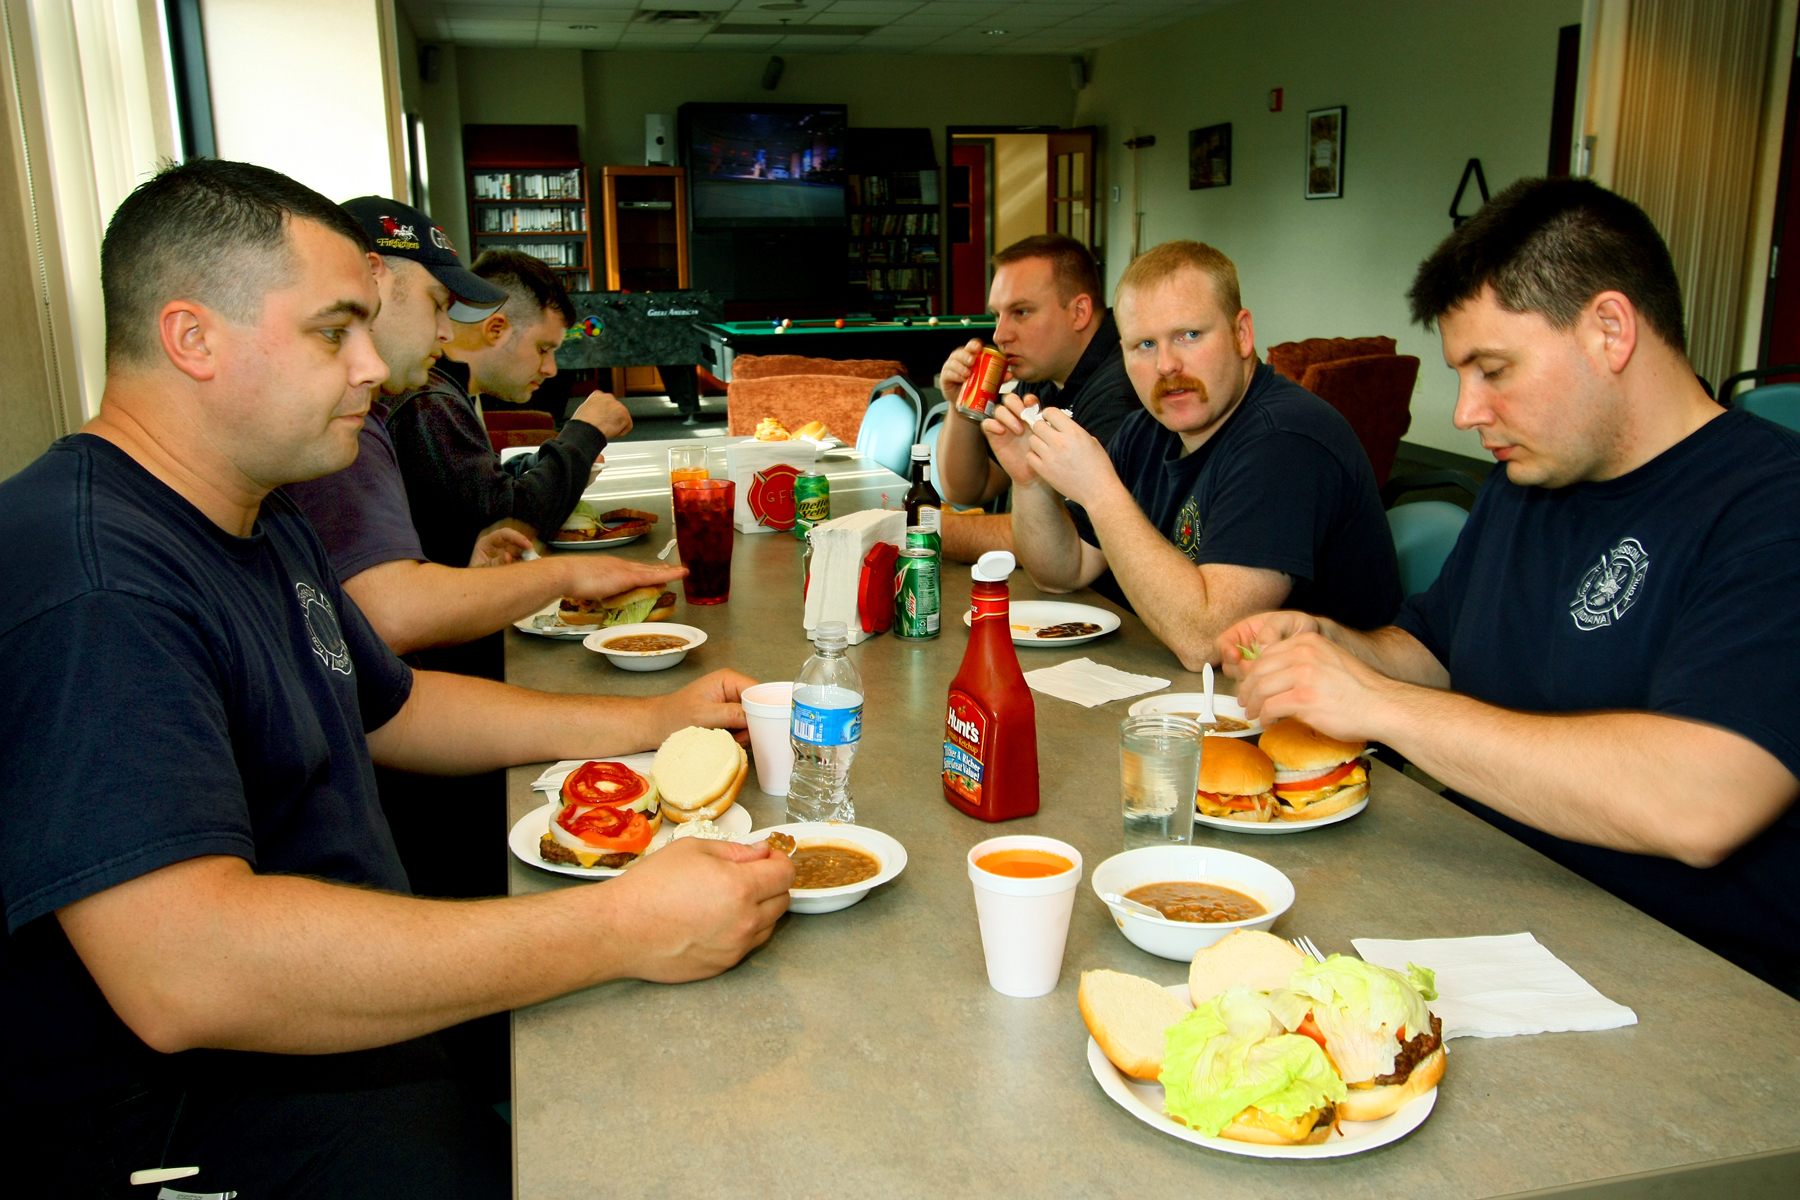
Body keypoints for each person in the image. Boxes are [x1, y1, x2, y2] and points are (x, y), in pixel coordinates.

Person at [0, 159, 795, 1194]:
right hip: (202, 1119)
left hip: (346, 1036)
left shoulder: (256, 510)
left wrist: (651, 720)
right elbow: (183, 974)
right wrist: (620, 926)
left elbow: (395, 705)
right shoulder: (97, 581)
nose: (375, 367)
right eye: (335, 332)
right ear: (192, 338)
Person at [1220, 177, 1800, 998]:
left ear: (1610, 330)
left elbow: (1700, 803)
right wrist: (1332, 649)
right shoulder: (1529, 479)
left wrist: (1381, 707)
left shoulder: (1771, 508)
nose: (1463, 412)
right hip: (1491, 914)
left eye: (1493, 369)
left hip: (1693, 987)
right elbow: (1433, 650)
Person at [284, 197, 673, 658]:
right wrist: (561, 576)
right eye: (437, 306)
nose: (447, 335)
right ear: (375, 279)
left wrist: (469, 570)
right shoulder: (404, 406)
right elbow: (396, 616)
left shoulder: (379, 412)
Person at [988, 239, 1401, 671]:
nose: (1166, 365)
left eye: (1188, 335)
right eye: (1144, 345)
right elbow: (1061, 574)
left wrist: (1099, 490)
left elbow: (1207, 643)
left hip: (1327, 723)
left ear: (1242, 334)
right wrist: (1029, 481)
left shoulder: (1286, 440)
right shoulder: (1147, 429)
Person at [386, 248, 634, 570]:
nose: (551, 369)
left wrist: (540, 466)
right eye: (543, 349)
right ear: (496, 329)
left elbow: (474, 491)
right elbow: (510, 522)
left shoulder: (452, 389)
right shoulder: (430, 404)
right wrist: (585, 432)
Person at [932, 234, 1139, 562]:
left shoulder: (1123, 390)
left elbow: (1065, 540)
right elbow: (971, 489)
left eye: (1021, 312)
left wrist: (927, 531)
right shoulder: (1044, 374)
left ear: (1079, 312)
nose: (1000, 335)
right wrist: (961, 408)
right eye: (997, 315)